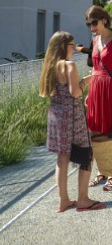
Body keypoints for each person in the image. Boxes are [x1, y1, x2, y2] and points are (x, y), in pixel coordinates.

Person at [40, 31, 104, 212]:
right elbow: (75, 92)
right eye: (71, 46)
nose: (74, 50)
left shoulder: (50, 67)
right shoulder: (69, 65)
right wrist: (86, 80)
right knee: (86, 154)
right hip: (72, 117)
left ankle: (64, 201)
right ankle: (83, 199)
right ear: (62, 47)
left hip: (56, 117)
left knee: (62, 159)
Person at [78, 5, 112, 193]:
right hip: (96, 90)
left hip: (110, 91)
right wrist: (88, 89)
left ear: (104, 20)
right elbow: (96, 69)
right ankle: (102, 171)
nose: (92, 27)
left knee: (111, 133)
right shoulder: (95, 40)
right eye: (89, 24)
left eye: (94, 23)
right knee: (96, 134)